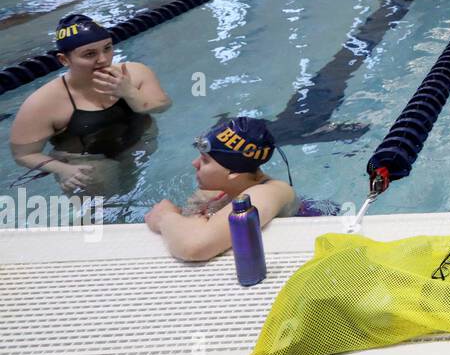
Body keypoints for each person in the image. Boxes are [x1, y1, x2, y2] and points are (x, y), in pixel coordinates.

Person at [8, 13, 170, 195]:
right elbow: (24, 154)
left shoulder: (136, 72)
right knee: (104, 209)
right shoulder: (42, 103)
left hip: (137, 145)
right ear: (64, 60)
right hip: (88, 163)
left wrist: (130, 93)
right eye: (89, 54)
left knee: (132, 191)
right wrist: (63, 170)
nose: (103, 59)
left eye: (107, 48)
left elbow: (162, 106)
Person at [144, 117, 297, 261]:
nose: (194, 163)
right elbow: (189, 226)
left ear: (233, 172)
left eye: (205, 160)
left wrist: (163, 217)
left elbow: (194, 247)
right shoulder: (215, 190)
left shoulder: (269, 192)